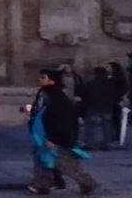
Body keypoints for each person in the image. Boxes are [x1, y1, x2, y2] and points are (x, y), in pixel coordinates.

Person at [27, 68, 97, 197]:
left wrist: (53, 139)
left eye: (43, 77)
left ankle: (88, 183)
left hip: (55, 137)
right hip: (44, 135)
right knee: (42, 160)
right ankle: (41, 185)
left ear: (52, 81)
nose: (40, 79)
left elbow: (62, 121)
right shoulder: (45, 94)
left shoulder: (58, 99)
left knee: (65, 164)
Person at [77, 68, 116, 153]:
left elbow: (84, 95)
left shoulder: (91, 84)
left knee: (90, 127)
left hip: (93, 108)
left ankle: (90, 144)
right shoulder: (111, 84)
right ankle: (107, 143)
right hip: (107, 108)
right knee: (107, 127)